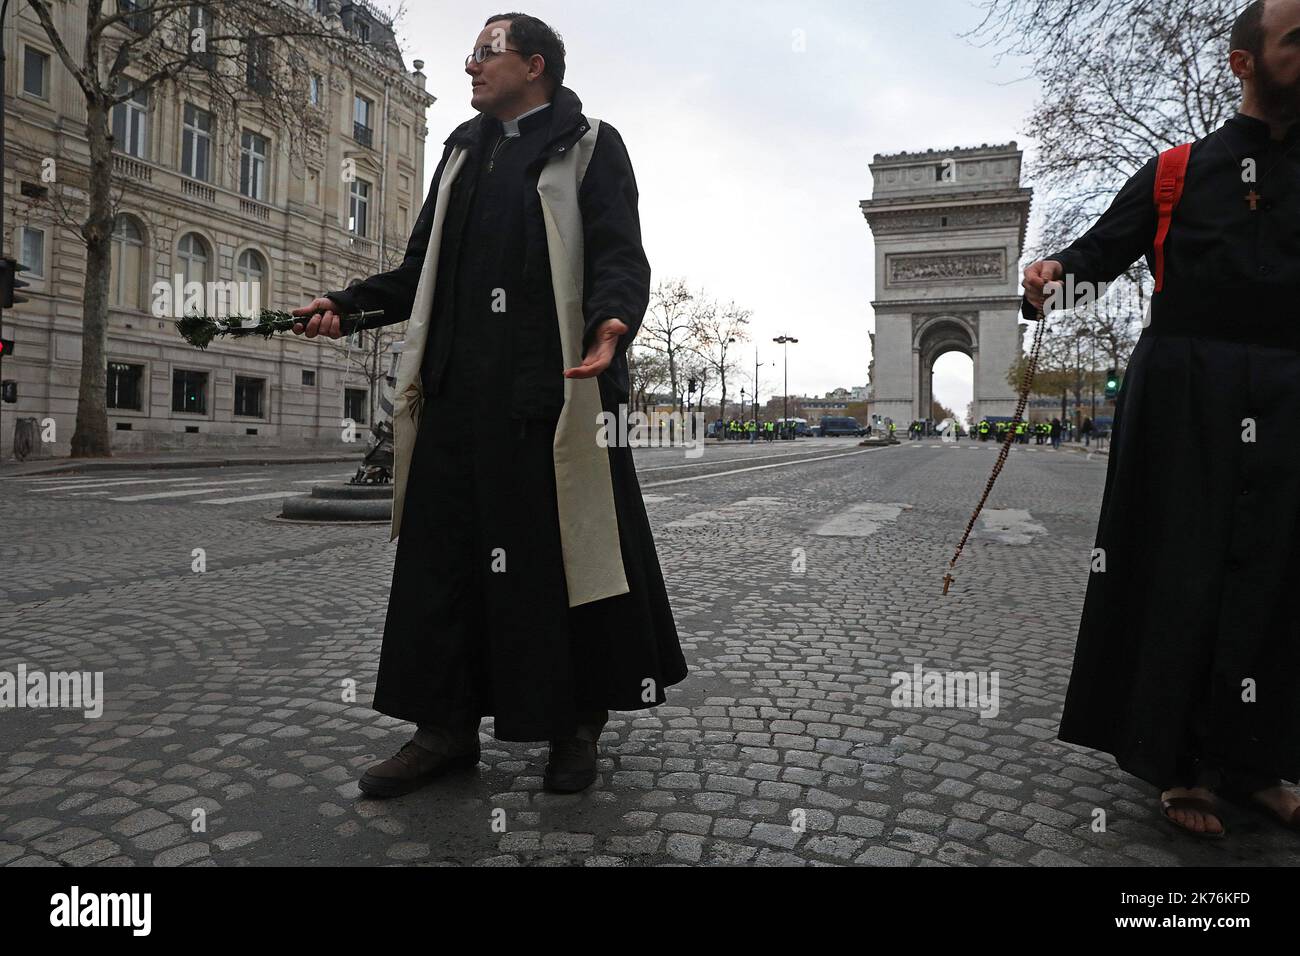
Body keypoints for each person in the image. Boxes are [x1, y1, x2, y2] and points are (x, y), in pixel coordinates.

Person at [293, 12, 687, 798]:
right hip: (455, 398)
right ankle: (442, 731)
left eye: (485, 53)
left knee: (561, 562)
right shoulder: (460, 154)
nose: (470, 66)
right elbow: (419, 271)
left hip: (553, 396)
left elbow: (619, 252)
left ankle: (573, 727)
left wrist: (614, 320)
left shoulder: (590, 145)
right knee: (443, 567)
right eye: (470, 55)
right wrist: (348, 304)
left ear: (534, 65)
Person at [1022, 0, 1300, 837]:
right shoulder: (1174, 172)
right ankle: (1180, 764)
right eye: (1298, 40)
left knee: (1280, 576)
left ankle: (1257, 761)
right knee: (1182, 572)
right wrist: (1049, 279)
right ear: (1243, 62)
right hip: (1188, 396)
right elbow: (1097, 259)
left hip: (1291, 393)